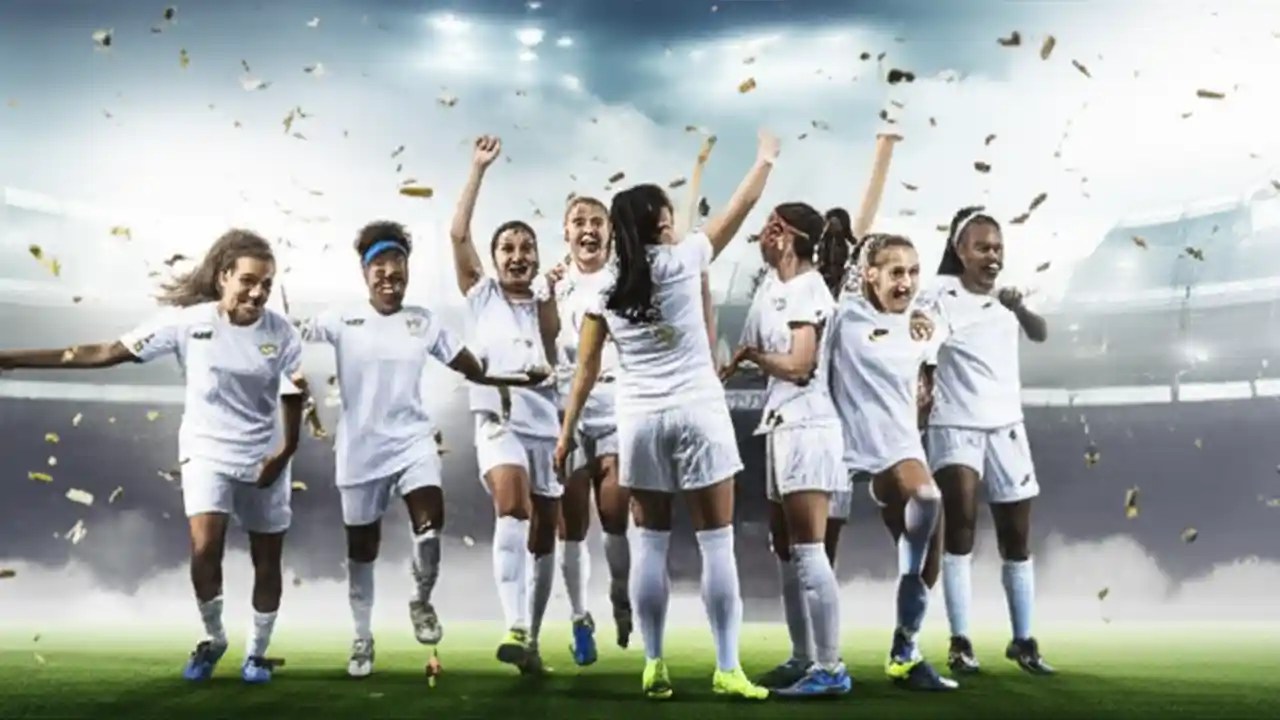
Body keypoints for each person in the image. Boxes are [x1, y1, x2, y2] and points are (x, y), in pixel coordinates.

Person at [0, 230, 305, 685]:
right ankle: (214, 638)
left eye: (266, 283)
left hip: (265, 456)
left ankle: (257, 654)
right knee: (205, 550)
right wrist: (11, 359)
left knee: (267, 559)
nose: (258, 292)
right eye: (248, 280)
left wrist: (284, 453)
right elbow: (105, 352)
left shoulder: (281, 334)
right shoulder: (188, 323)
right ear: (224, 277)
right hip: (207, 451)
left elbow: (296, 393)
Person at [554, 129, 781, 701]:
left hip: (640, 421)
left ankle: (654, 665)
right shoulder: (686, 258)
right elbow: (741, 206)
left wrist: (564, 437)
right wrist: (764, 159)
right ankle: (727, 667)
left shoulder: (603, 287)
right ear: (660, 221)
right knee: (715, 544)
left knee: (650, 547)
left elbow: (584, 372)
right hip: (698, 412)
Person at [301, 221, 549, 678]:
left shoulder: (422, 321)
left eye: (398, 264)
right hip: (359, 451)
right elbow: (290, 338)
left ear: (407, 270)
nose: (390, 274)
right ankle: (362, 637)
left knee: (431, 528)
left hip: (413, 442)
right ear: (365, 272)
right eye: (380, 265)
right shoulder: (340, 319)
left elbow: (474, 370)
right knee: (362, 550)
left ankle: (421, 600)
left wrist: (520, 379)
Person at [719, 202, 850, 697]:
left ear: (781, 232)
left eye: (767, 226)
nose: (759, 234)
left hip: (809, 425)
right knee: (787, 550)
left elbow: (798, 365)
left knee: (810, 549)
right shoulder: (771, 288)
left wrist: (751, 356)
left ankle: (831, 667)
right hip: (780, 425)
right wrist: (735, 367)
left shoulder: (808, 288)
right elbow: (765, 359)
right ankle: (803, 656)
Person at [920, 206, 1053, 676]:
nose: (992, 256)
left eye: (997, 248)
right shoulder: (937, 293)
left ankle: (1023, 640)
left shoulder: (1006, 298)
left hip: (1006, 427)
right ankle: (960, 640)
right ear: (960, 251)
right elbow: (918, 343)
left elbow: (1041, 333)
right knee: (960, 527)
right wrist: (923, 378)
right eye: (982, 247)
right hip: (954, 424)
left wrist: (1017, 305)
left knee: (1016, 537)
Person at [449, 135, 563, 674]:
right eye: (507, 249)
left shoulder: (547, 299)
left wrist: (553, 296)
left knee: (545, 539)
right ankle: (514, 624)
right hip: (500, 421)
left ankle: (532, 638)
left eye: (525, 248)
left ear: (537, 258)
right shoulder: (482, 295)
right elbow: (457, 233)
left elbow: (558, 347)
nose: (517, 256)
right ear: (494, 261)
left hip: (549, 425)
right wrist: (478, 170)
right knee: (513, 508)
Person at [829, 234, 957, 692]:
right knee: (816, 557)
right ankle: (816, 657)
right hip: (840, 444)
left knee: (928, 507)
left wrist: (929, 377)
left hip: (898, 444)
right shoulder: (842, 314)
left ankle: (905, 648)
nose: (907, 282)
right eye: (896, 272)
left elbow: (929, 369)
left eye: (913, 271)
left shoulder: (925, 324)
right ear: (870, 274)